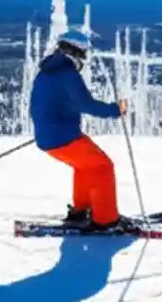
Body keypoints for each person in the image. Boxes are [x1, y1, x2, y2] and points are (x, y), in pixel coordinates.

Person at [29, 30, 129, 231]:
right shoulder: (66, 74)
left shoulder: (48, 71)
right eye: (82, 53)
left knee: (86, 166)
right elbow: (85, 104)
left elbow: (49, 103)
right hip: (62, 136)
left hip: (51, 136)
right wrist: (115, 110)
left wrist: (49, 126)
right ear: (73, 51)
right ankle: (106, 220)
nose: (83, 58)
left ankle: (80, 211)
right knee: (102, 167)